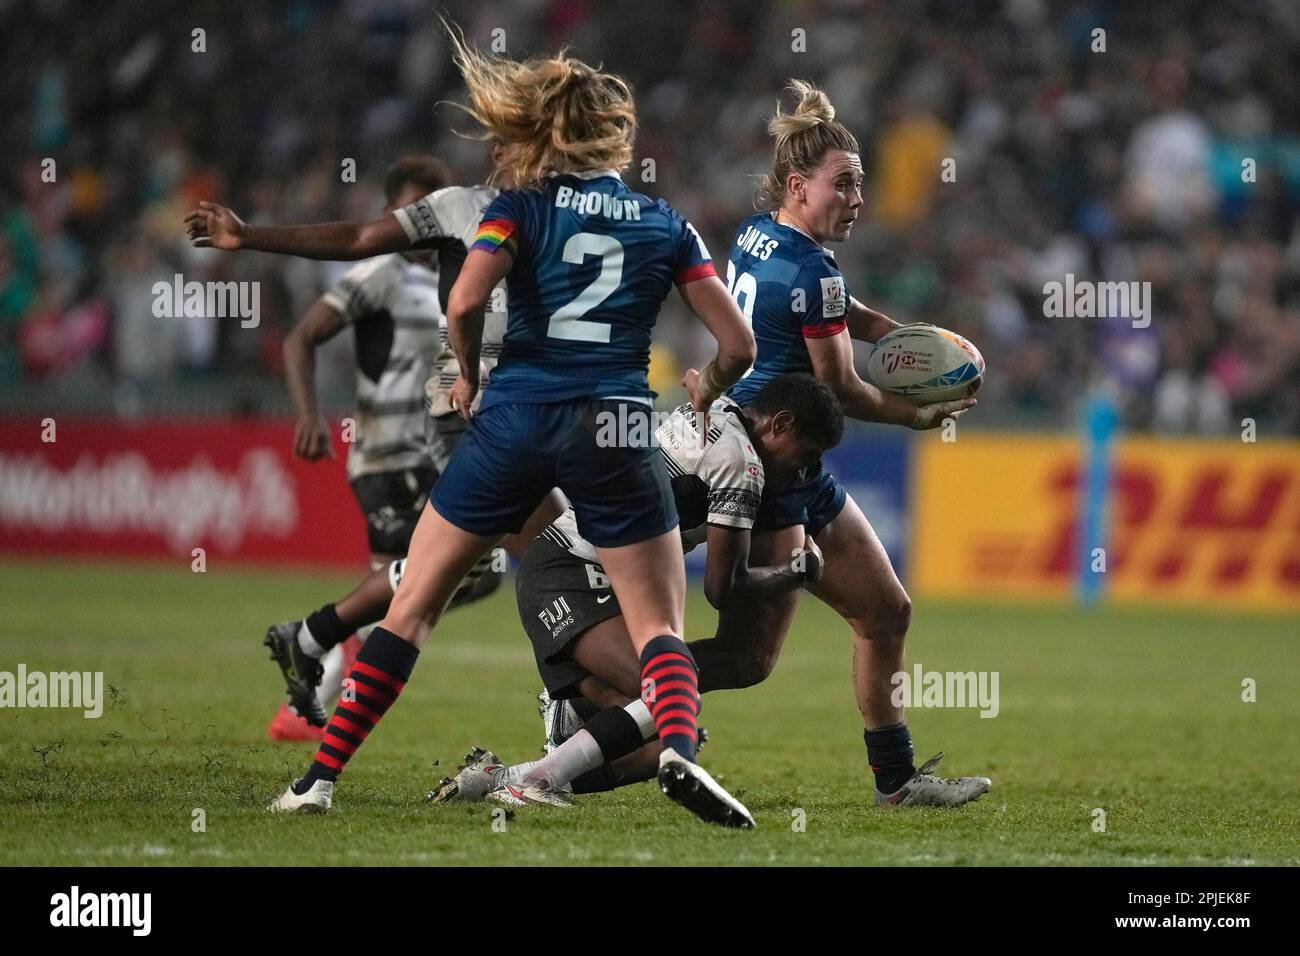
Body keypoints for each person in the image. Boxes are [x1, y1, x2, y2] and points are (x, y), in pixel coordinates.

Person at [196, 28, 758, 827]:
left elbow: (463, 302)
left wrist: (465, 372)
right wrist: (712, 386)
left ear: (545, 130)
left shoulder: (516, 208)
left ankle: (318, 780)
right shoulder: (666, 223)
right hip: (615, 426)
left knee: (415, 604)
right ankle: (676, 750)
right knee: (660, 624)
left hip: (514, 417)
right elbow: (738, 343)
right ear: (619, 138)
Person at [705, 80, 991, 806]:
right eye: (845, 185)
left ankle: (895, 780)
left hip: (762, 449)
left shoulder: (757, 234)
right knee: (746, 661)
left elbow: (839, 311)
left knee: (886, 611)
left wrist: (900, 338)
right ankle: (590, 694)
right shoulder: (813, 271)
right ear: (799, 186)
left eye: (860, 185)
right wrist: (923, 416)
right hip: (773, 464)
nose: (858, 200)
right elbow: (841, 391)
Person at [430, 373, 843, 805]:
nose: (804, 471)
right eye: (808, 454)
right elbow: (724, 587)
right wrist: (794, 573)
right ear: (779, 424)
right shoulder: (743, 464)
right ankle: (536, 780)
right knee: (669, 697)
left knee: (659, 748)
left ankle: (502, 777)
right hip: (571, 574)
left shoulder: (715, 412)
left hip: (582, 573)